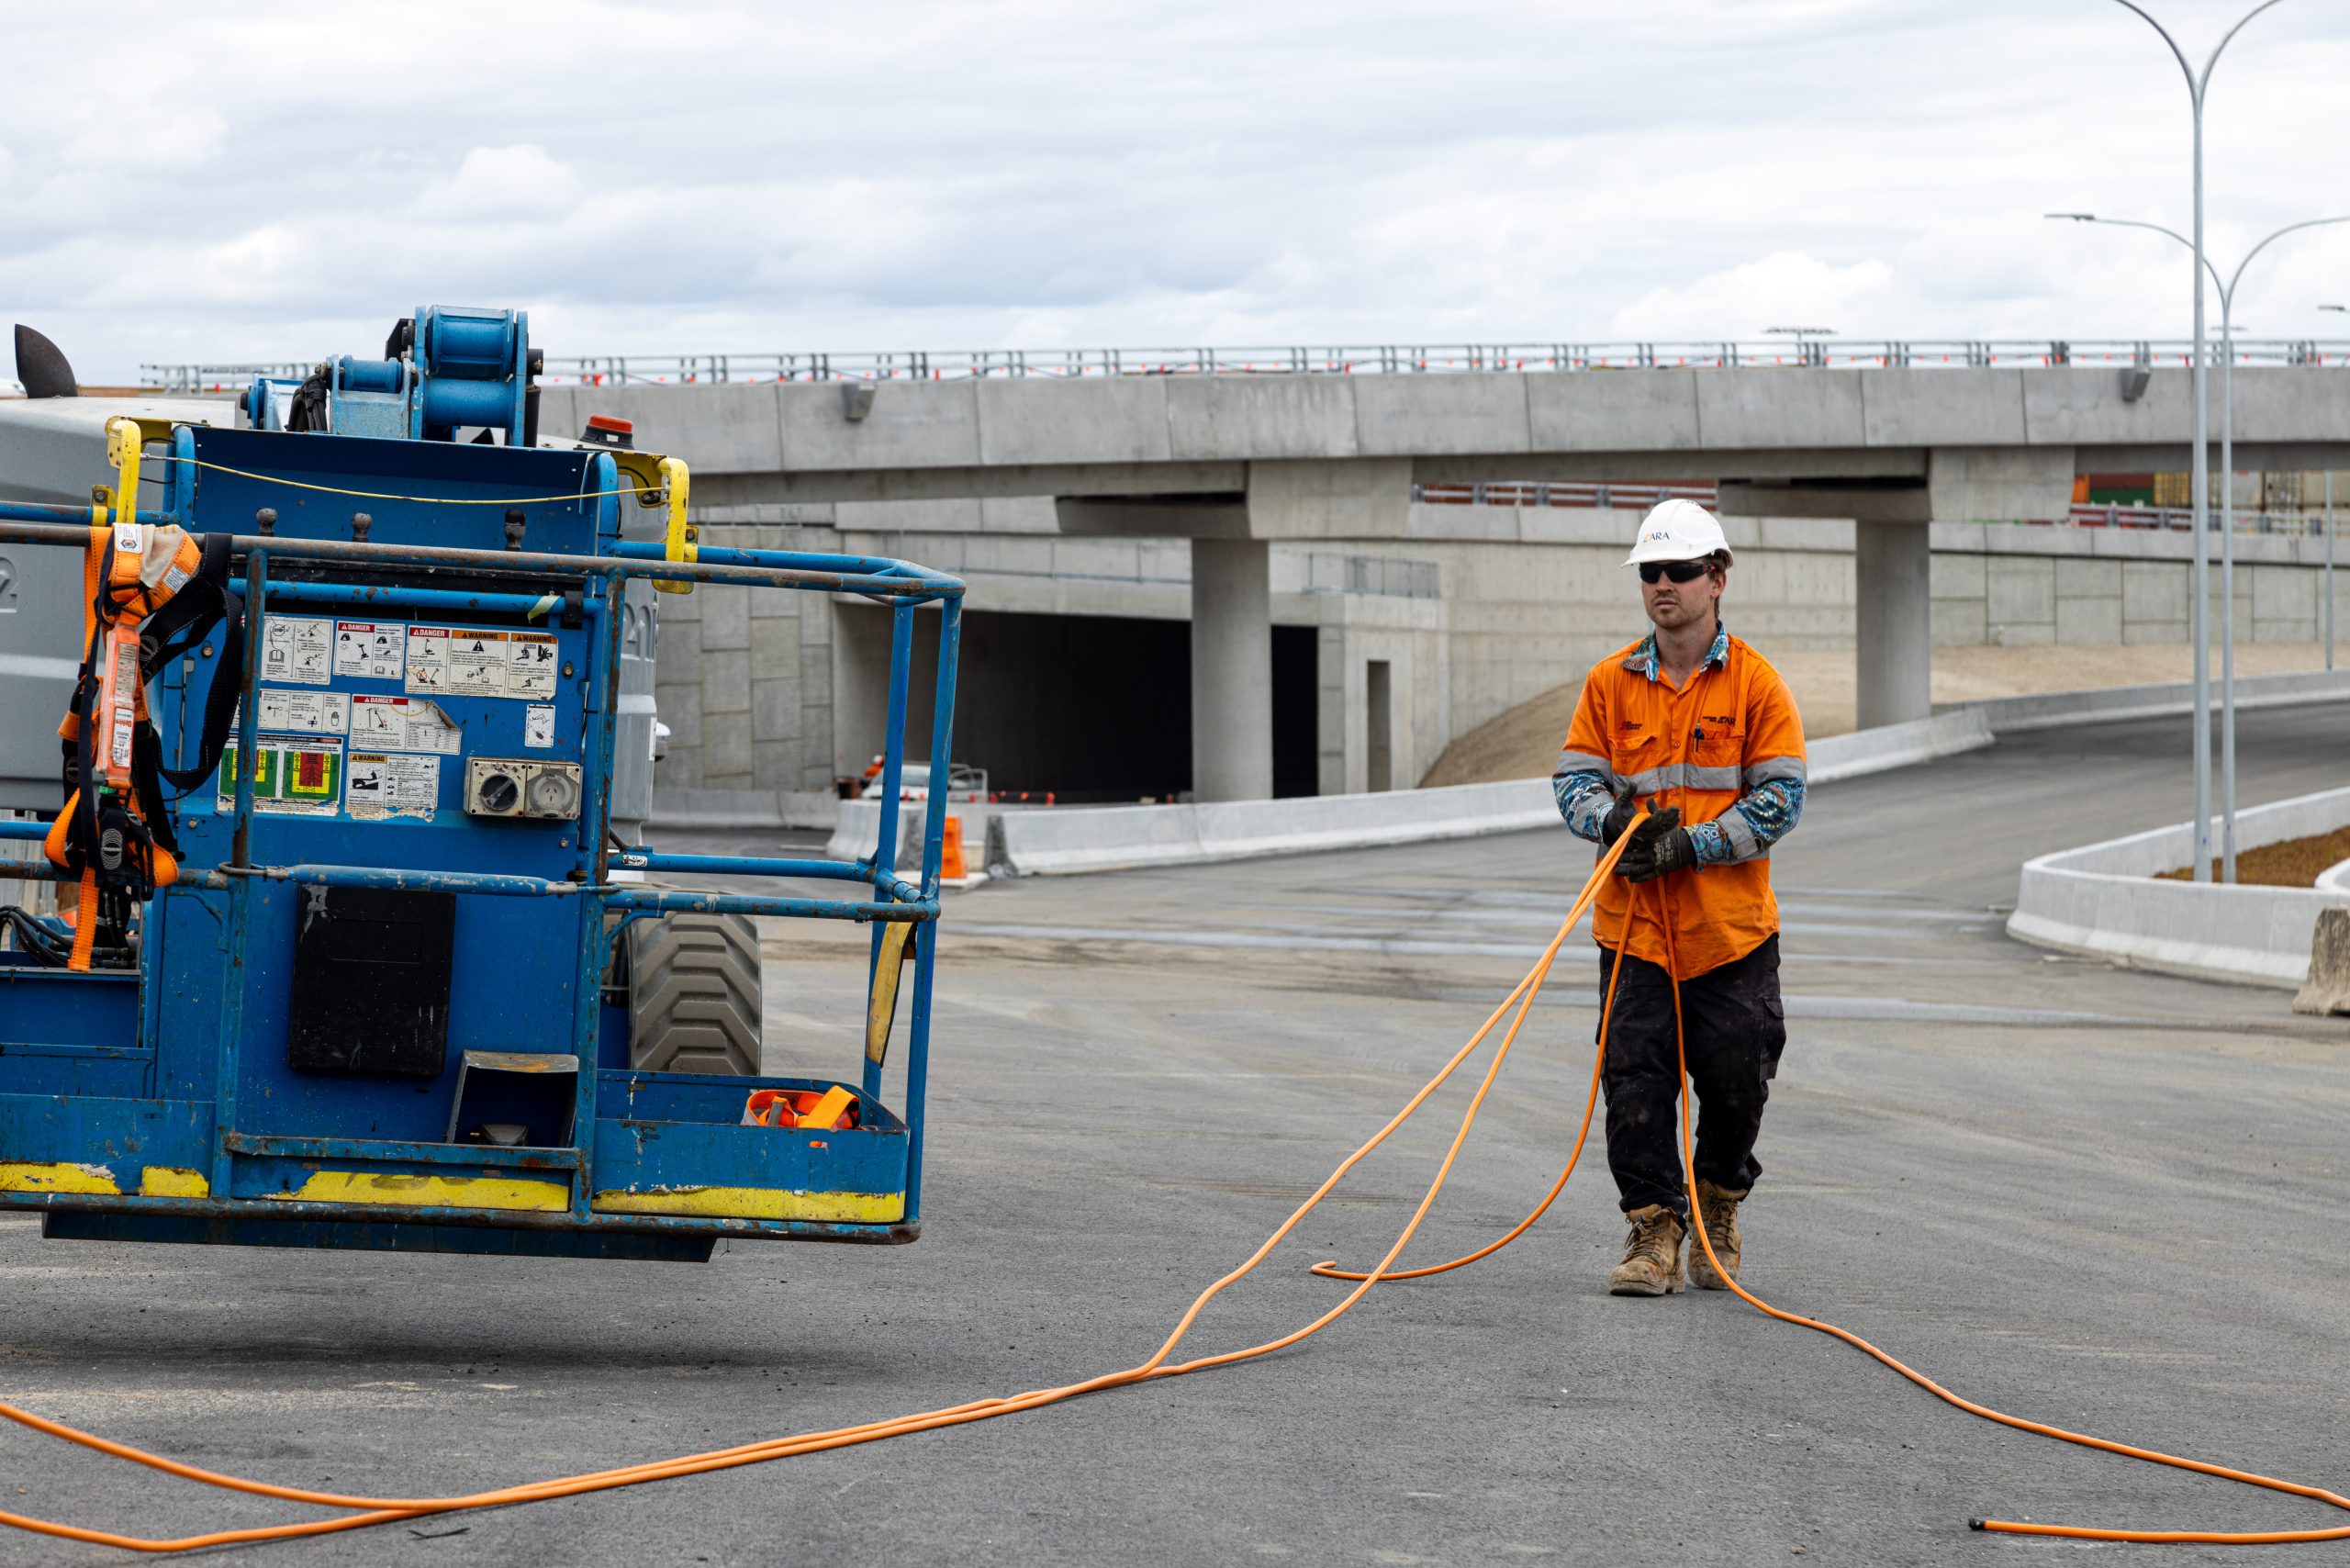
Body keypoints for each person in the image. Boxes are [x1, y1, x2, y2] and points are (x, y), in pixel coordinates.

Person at [1550, 498, 1806, 1296]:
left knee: (1736, 1084)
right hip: (1634, 937)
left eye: (1680, 570)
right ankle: (1653, 1230)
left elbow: (1781, 800)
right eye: (1651, 572)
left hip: (1729, 935)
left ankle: (1718, 1205)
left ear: (1717, 578)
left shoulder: (1758, 686)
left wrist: (1689, 845)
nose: (1663, 584)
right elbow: (1574, 781)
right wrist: (1613, 822)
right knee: (1635, 1084)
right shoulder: (1609, 685)